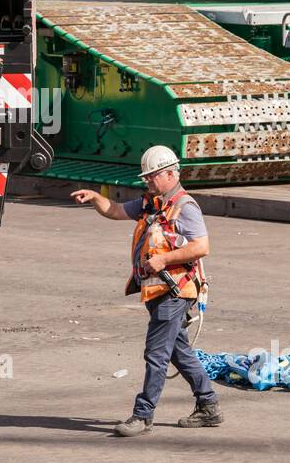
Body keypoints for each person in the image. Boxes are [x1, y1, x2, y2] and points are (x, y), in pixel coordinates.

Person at [70, 146, 221, 437]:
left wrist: (163, 259)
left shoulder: (185, 207)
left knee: (156, 353)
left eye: (151, 176)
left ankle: (143, 415)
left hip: (175, 291)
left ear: (169, 174)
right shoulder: (151, 203)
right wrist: (96, 198)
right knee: (178, 351)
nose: (147, 181)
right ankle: (209, 406)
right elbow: (115, 211)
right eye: (147, 177)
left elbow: (201, 247)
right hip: (157, 291)